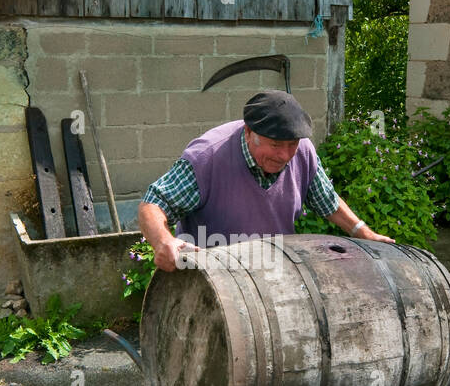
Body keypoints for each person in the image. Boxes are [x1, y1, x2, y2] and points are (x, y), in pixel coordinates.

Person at [138, 89, 393, 270]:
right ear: (249, 133)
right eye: (275, 145)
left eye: (291, 144)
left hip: (271, 272)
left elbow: (327, 201)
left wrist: (364, 232)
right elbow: (153, 203)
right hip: (210, 278)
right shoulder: (207, 157)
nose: (284, 155)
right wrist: (163, 240)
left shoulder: (302, 151)